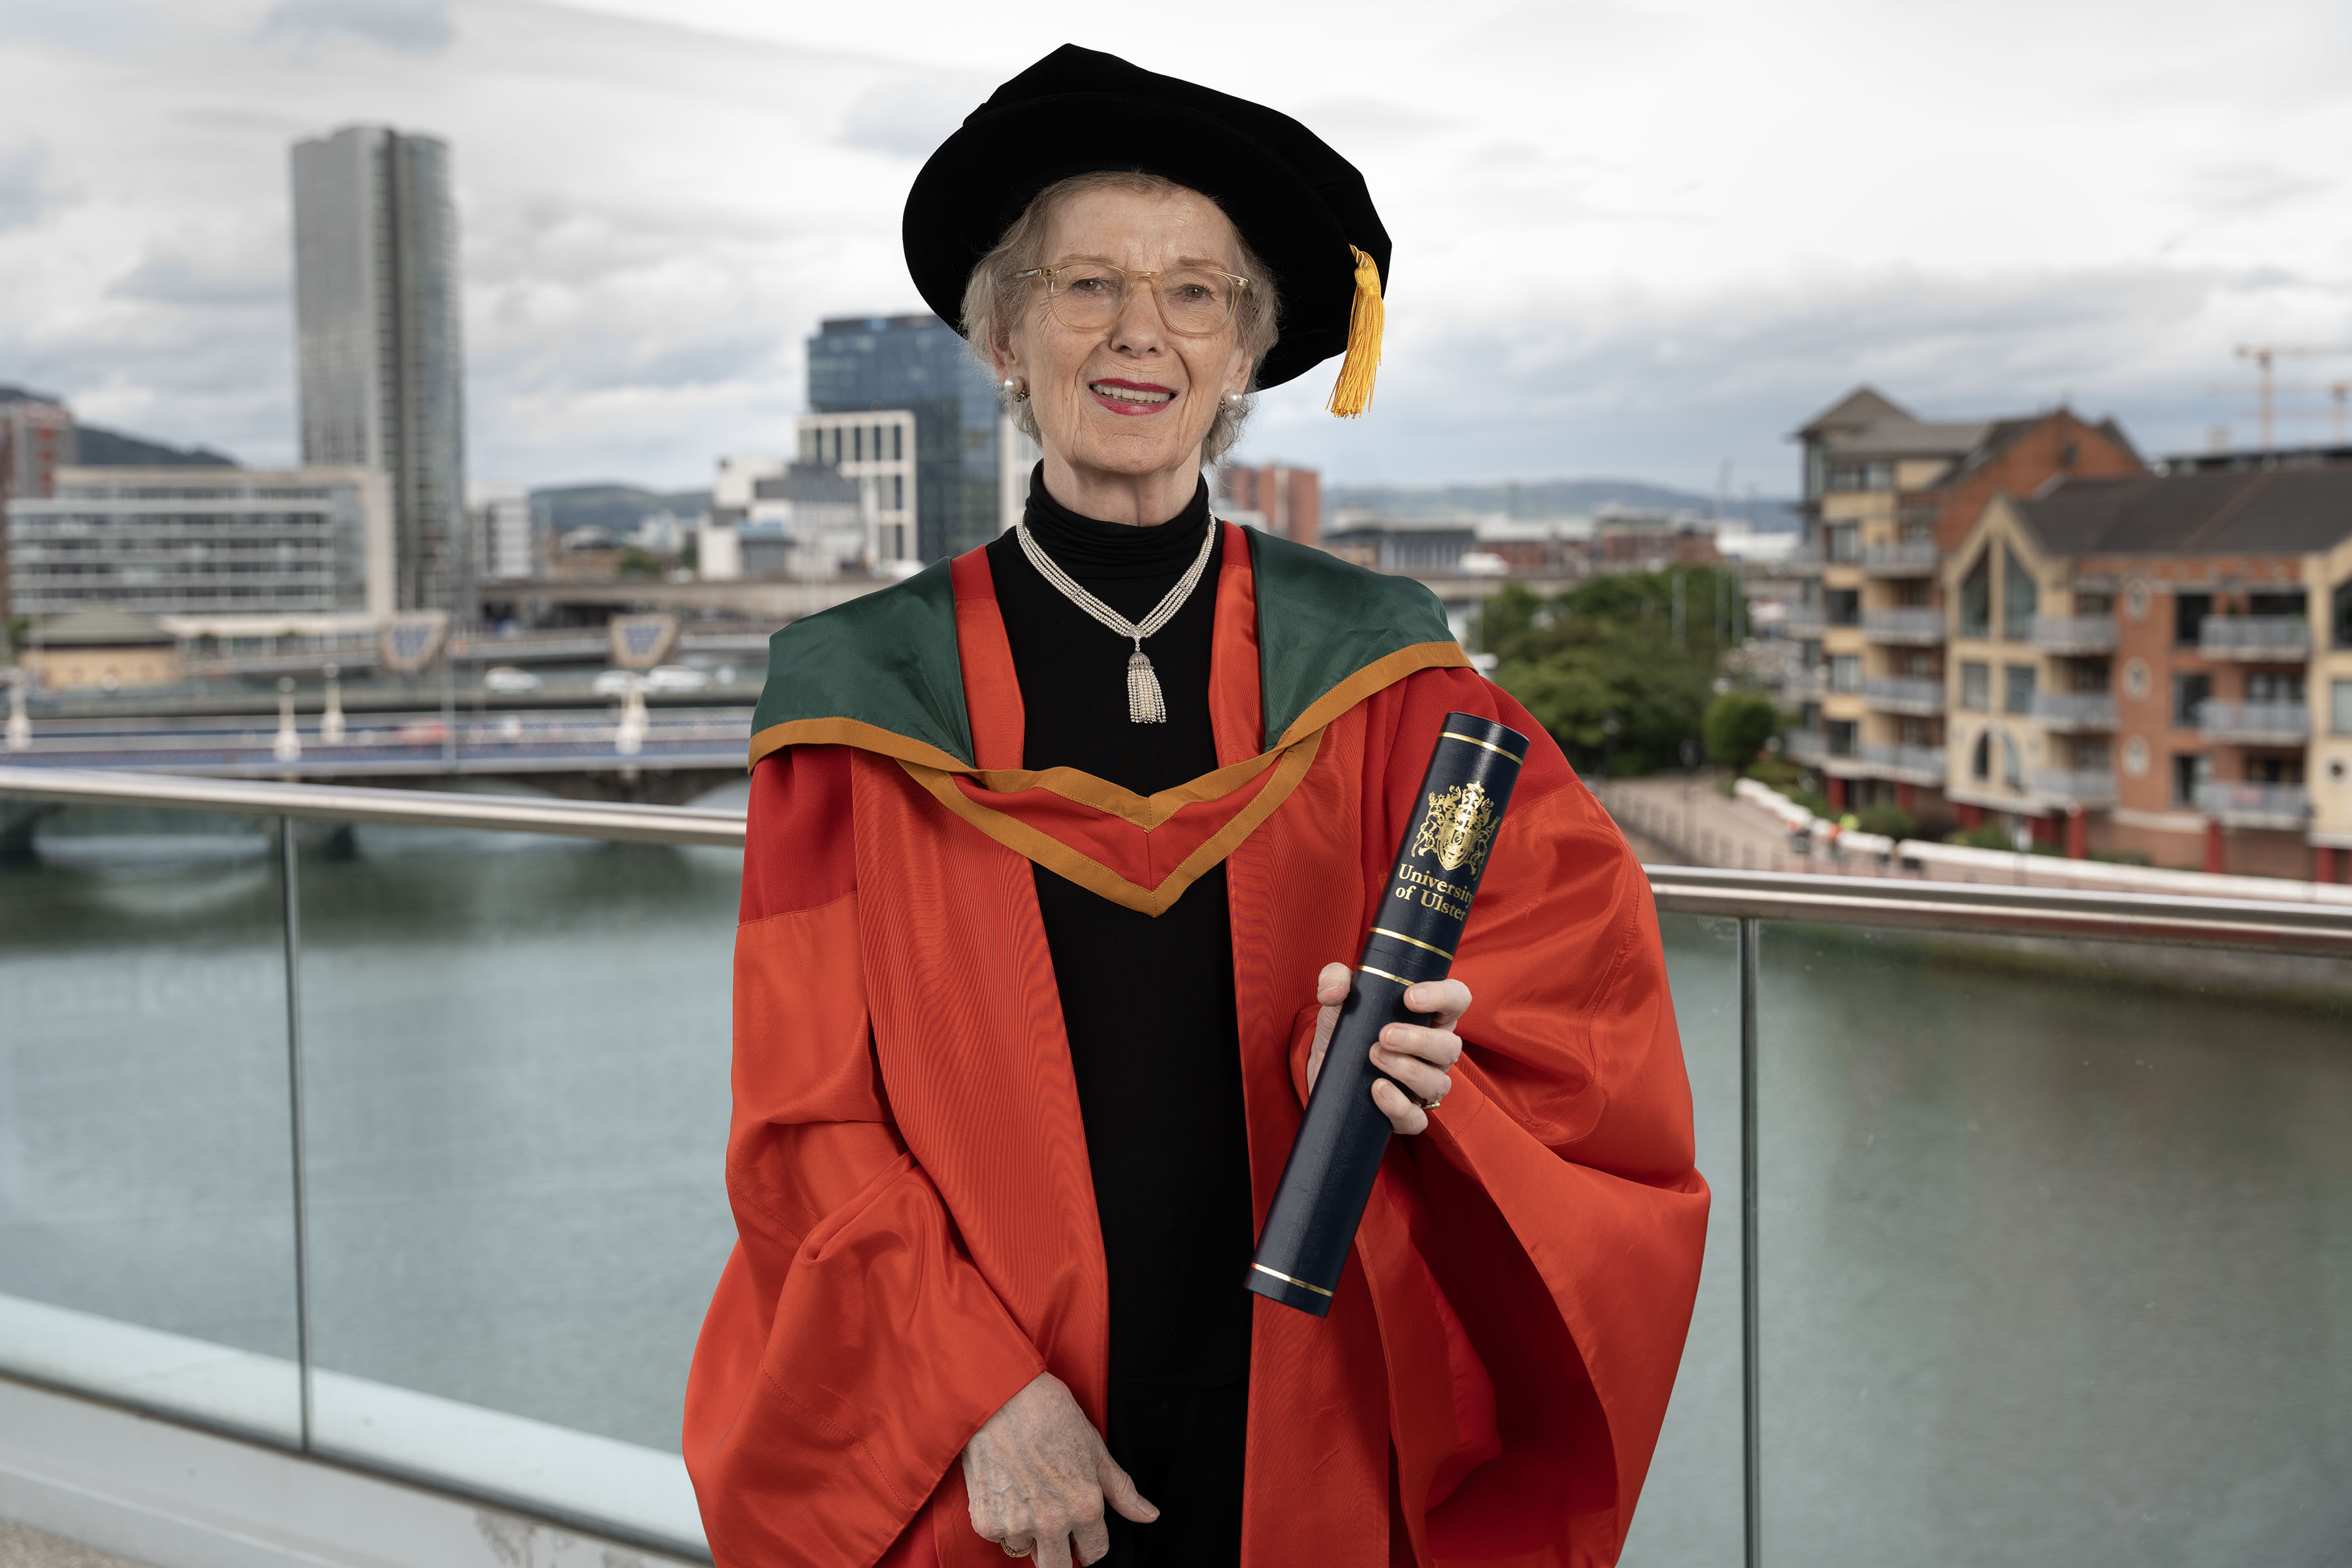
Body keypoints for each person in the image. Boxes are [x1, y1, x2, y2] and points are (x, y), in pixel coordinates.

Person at [683, 44, 1707, 1568]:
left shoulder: (1393, 684)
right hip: (1009, 1422)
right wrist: (977, 1392)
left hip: (1312, 1383)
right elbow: (803, 1120)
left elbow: (1582, 1012)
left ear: (1246, 356)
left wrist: (1448, 1066)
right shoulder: (858, 703)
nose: (1139, 334)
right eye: (1085, 285)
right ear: (1007, 341)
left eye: (1196, 294)